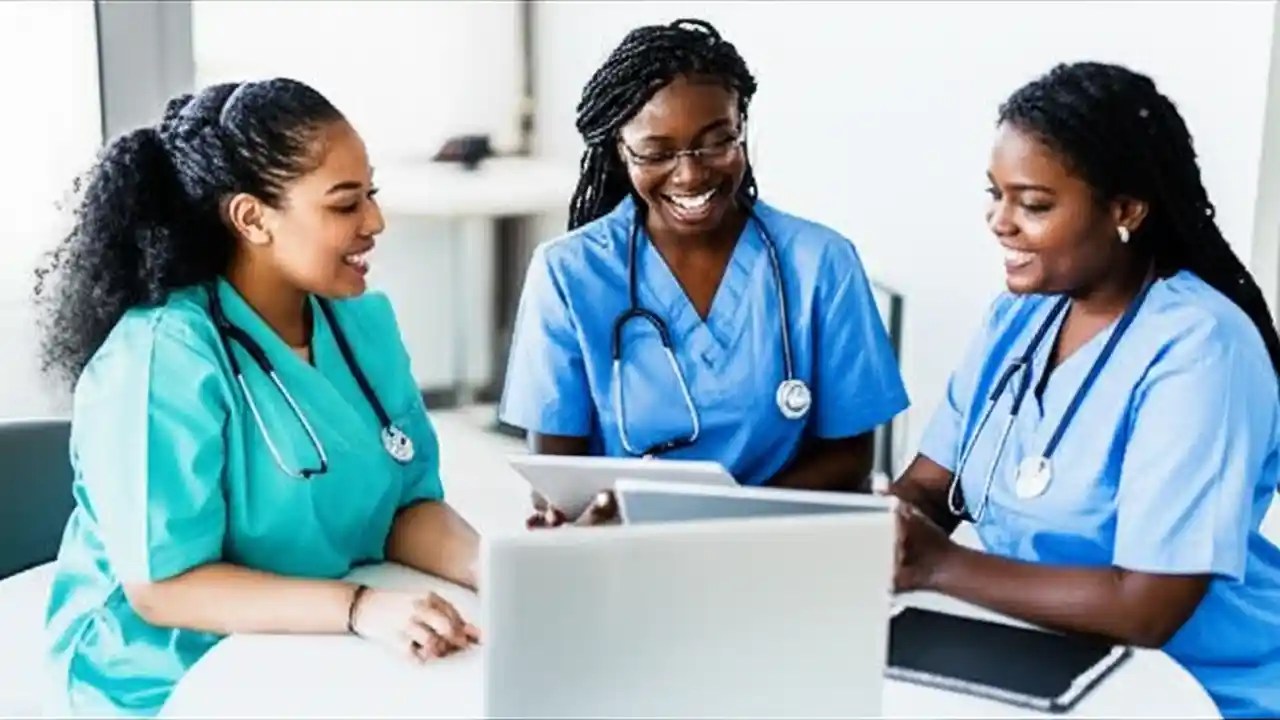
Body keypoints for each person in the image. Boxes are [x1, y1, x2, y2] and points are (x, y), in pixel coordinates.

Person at [35, 79, 482, 717]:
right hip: (161, 666)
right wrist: (358, 609)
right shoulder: (162, 357)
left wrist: (493, 567)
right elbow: (164, 589)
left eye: (371, 195)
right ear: (251, 218)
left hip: (318, 635)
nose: (375, 222)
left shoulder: (362, 324)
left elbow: (407, 509)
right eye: (344, 204)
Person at [890, 61, 1280, 719]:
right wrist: (882, 528)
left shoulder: (1200, 348)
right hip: (1044, 660)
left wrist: (935, 566)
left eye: (1034, 203)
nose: (1000, 222)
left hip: (1203, 689)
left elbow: (1147, 607)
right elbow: (932, 489)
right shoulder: (1018, 318)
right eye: (996, 194)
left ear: (1125, 209)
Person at [498, 19, 909, 525]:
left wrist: (721, 526)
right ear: (619, 151)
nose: (690, 174)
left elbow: (850, 457)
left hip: (779, 543)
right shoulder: (568, 274)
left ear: (742, 128)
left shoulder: (821, 263)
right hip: (623, 552)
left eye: (717, 142)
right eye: (656, 152)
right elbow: (556, 474)